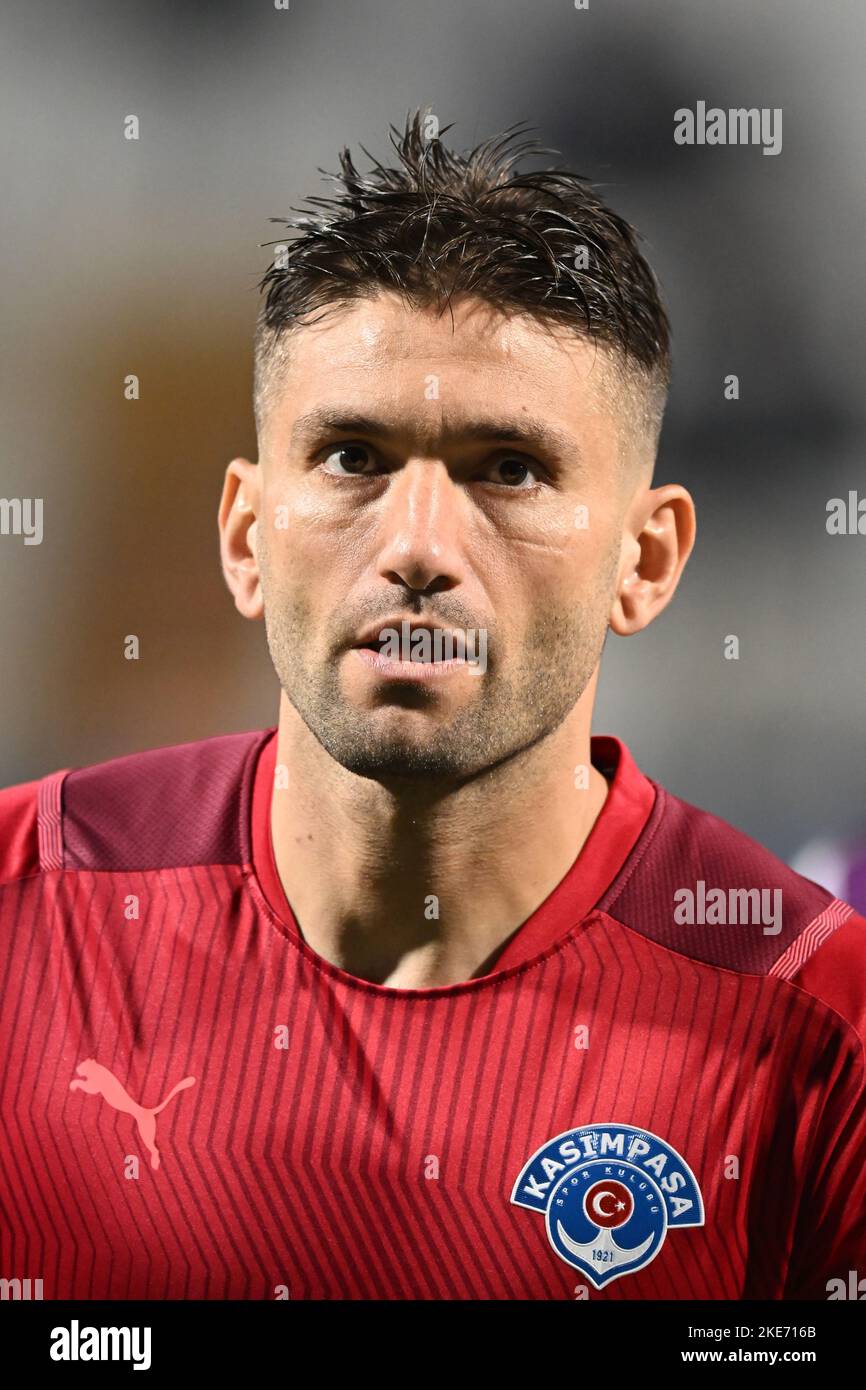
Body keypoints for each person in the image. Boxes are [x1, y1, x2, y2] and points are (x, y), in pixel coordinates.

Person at [1, 114, 863, 1301]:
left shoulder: (819, 1035)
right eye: (352, 457)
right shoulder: (17, 923)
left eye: (506, 467)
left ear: (645, 561)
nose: (415, 546)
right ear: (244, 536)